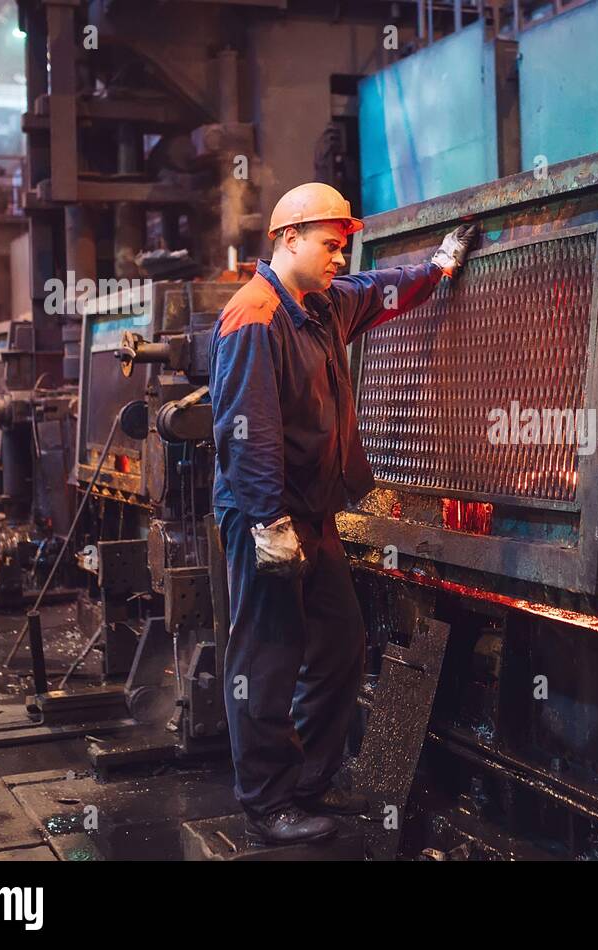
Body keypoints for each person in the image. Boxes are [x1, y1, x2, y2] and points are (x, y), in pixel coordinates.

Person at [209, 181, 475, 844]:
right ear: (287, 238)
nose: (338, 258)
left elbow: (382, 289)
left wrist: (438, 268)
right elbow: (248, 430)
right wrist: (268, 526)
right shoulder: (255, 316)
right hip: (265, 517)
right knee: (269, 657)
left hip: (314, 511)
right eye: (329, 245)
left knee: (339, 645)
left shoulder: (324, 305)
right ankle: (269, 805)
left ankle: (309, 783)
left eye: (342, 247)